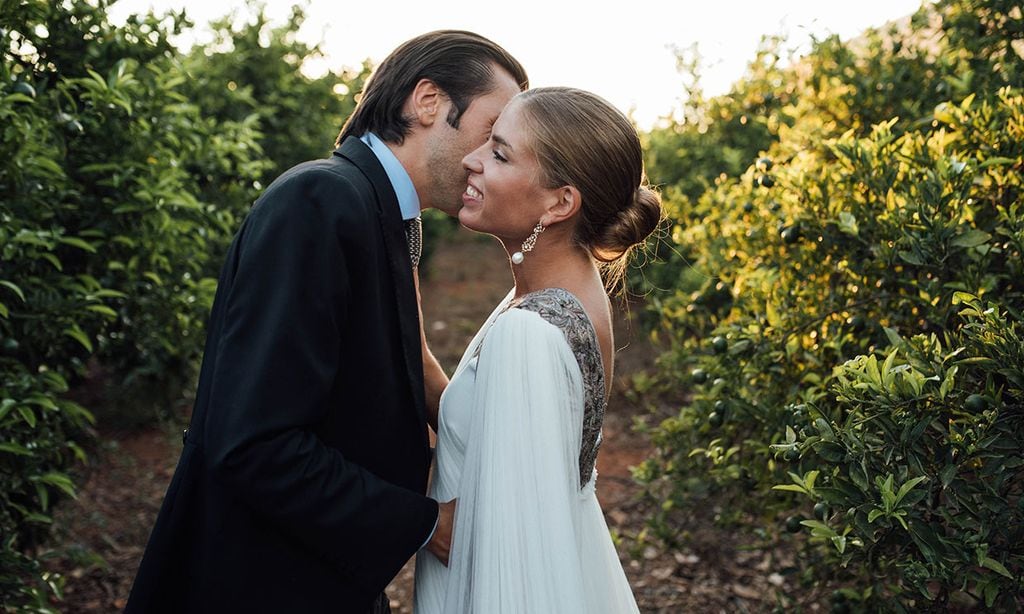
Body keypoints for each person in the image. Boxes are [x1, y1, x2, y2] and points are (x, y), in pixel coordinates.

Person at [124, 30, 527, 614]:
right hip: (254, 584)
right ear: (428, 101)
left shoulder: (381, 214)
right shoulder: (319, 201)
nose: (488, 160)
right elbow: (254, 442)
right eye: (490, 134)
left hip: (317, 575)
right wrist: (423, 523)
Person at [413, 86, 662, 613]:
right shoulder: (555, 296)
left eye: (499, 153)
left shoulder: (530, 332)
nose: (470, 161)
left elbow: (515, 571)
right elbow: (475, 420)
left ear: (560, 202)